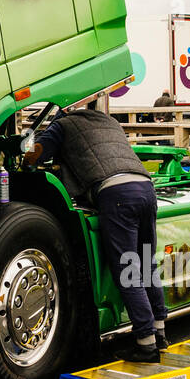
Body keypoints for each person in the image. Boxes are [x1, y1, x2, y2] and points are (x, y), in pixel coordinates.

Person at [23, 107, 167, 362]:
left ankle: (145, 344)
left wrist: (26, 148)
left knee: (128, 269)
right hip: (146, 188)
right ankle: (160, 332)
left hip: (116, 193)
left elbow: (35, 157)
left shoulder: (62, 126)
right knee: (146, 262)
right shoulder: (106, 120)